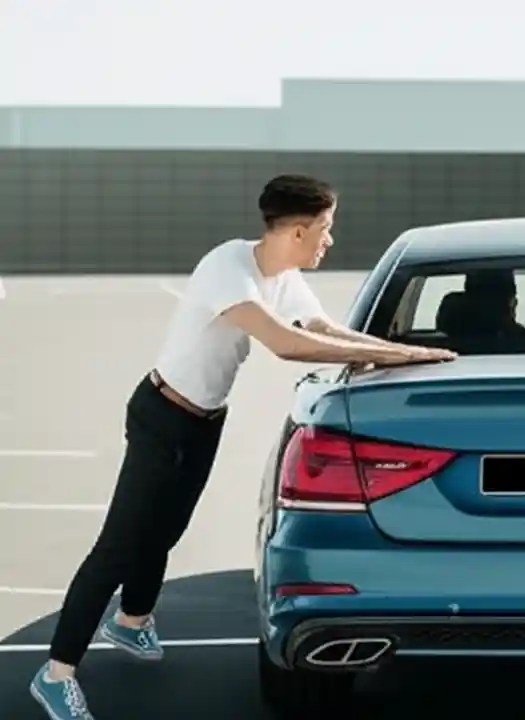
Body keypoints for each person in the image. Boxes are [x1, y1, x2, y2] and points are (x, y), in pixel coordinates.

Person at [30, 174, 456, 720]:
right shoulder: (227, 268)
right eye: (325, 228)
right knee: (119, 546)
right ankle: (56, 673)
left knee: (166, 531)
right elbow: (287, 343)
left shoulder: (283, 276)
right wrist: (405, 357)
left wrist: (402, 352)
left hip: (204, 420)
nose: (329, 240)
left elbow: (324, 328)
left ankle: (130, 621)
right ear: (298, 231)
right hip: (162, 416)